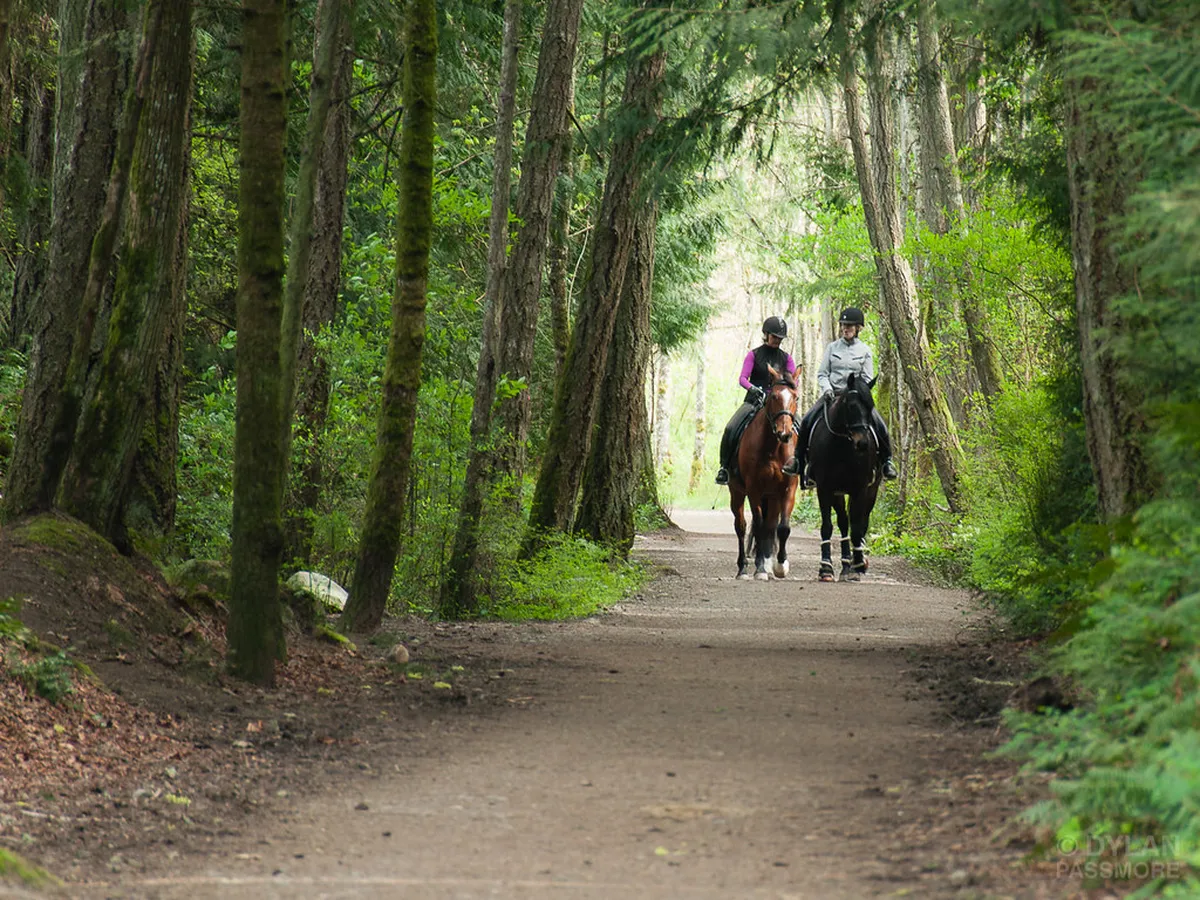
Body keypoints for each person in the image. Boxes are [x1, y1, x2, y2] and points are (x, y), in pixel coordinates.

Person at [782, 306, 899, 486]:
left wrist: (856, 393)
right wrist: (827, 389)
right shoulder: (832, 348)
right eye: (844, 325)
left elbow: (867, 378)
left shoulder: (865, 351)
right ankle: (798, 461)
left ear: (858, 328)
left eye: (850, 326)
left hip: (856, 398)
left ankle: (887, 462)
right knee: (806, 420)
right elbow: (822, 373)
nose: (846, 328)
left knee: (879, 424)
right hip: (832, 395)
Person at [714, 316, 798, 486]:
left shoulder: (787, 358)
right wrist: (753, 388)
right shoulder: (754, 355)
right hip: (755, 400)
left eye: (780, 338)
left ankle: (802, 466)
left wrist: (787, 391)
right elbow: (742, 378)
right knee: (731, 427)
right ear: (766, 334)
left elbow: (794, 381)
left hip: (780, 403)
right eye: (774, 337)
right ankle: (724, 468)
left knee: (801, 427)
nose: (777, 340)